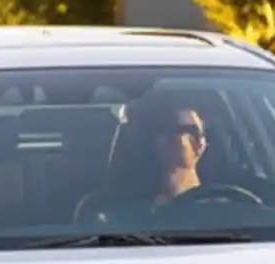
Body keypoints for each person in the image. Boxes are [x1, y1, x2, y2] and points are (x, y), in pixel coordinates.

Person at [75, 93, 209, 222]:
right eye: (189, 131)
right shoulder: (101, 211)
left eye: (201, 132)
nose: (200, 141)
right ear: (154, 139)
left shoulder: (222, 203)